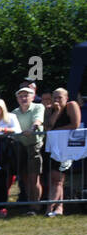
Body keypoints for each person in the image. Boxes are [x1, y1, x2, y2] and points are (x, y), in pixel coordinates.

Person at [44, 88, 82, 216]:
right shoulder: (50, 109)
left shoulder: (72, 105)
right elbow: (48, 127)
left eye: (59, 97)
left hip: (68, 148)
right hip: (54, 148)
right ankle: (58, 208)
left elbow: (75, 124)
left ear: (66, 98)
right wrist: (57, 111)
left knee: (57, 178)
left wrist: (58, 130)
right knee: (55, 179)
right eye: (54, 97)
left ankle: (51, 208)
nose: (56, 100)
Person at [10, 85, 45, 210]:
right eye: (20, 96)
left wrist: (32, 129)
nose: (23, 98)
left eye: (26, 95)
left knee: (34, 177)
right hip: (20, 146)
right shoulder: (14, 112)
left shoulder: (39, 107)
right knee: (25, 177)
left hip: (34, 145)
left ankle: (35, 206)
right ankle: (30, 204)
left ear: (33, 97)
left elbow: (38, 120)